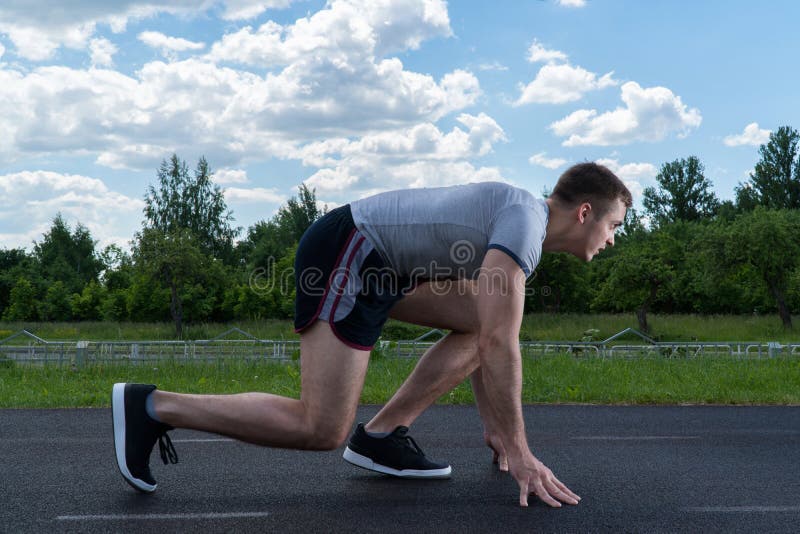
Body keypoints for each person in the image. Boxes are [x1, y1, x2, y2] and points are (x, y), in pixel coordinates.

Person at [112, 162, 631, 507]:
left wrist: (499, 428)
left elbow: (487, 330)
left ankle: (382, 436)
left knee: (483, 319)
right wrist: (520, 452)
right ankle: (154, 407)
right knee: (319, 428)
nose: (612, 240)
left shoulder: (521, 223)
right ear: (584, 212)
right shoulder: (523, 225)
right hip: (350, 251)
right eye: (613, 226)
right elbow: (500, 344)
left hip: (383, 263)